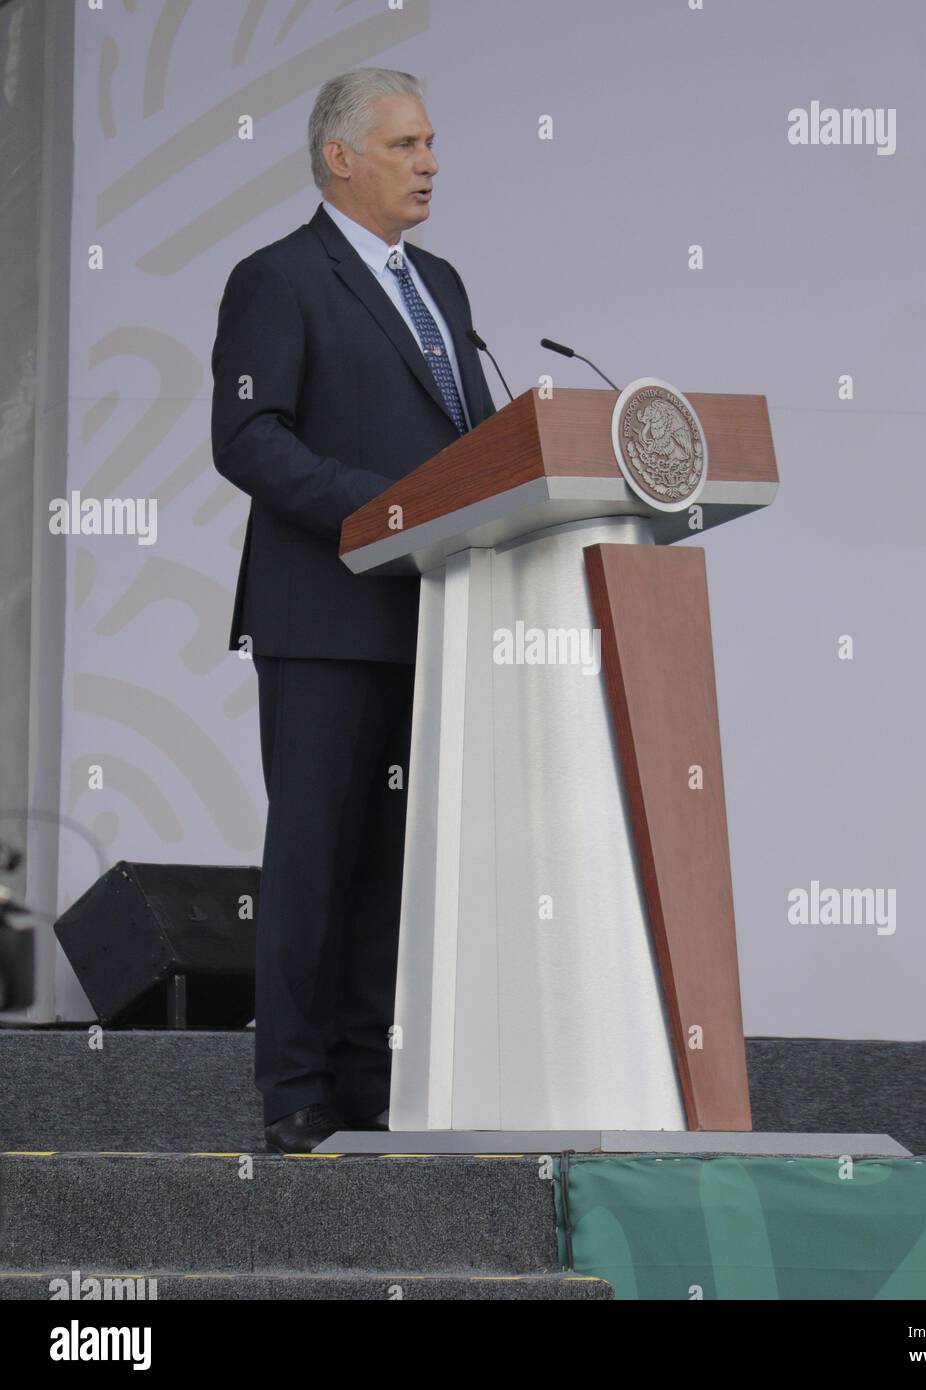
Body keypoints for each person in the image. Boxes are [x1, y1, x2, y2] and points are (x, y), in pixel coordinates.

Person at [210, 67, 496, 1153]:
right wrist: (384, 512)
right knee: (316, 857)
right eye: (406, 145)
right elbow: (247, 439)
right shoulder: (277, 277)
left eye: (431, 144)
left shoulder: (446, 285)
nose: (429, 163)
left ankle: (368, 1086)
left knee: (392, 866)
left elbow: (467, 438)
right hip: (323, 619)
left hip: (431, 614)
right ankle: (292, 1090)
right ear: (340, 157)